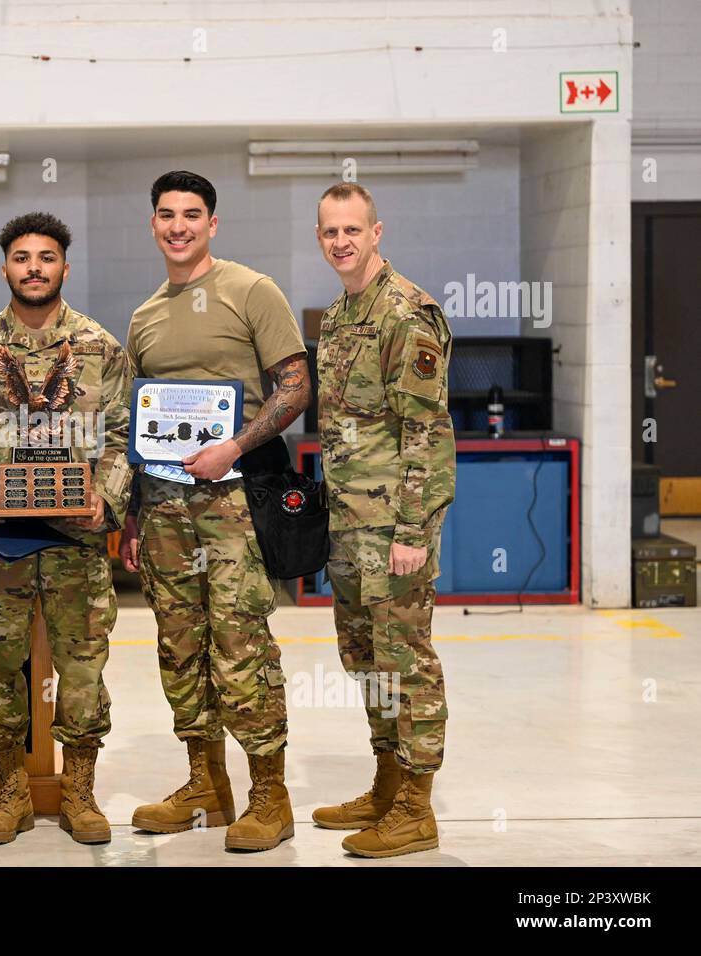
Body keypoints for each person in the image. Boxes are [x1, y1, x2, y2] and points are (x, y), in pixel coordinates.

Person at [120, 171, 310, 852]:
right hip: (167, 507)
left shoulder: (250, 290)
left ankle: (270, 794)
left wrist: (233, 444)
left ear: (212, 224)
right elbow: (142, 426)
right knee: (180, 649)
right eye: (166, 214)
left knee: (241, 646)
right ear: (154, 225)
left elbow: (295, 387)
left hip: (233, 502)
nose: (178, 226)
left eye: (191, 214)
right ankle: (206, 785)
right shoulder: (144, 317)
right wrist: (136, 514)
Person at [0, 212, 132, 845]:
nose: (33, 268)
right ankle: (10, 791)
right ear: (5, 268)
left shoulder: (102, 349)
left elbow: (123, 438)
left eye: (46, 257)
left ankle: (79, 792)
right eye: (22, 257)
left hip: (77, 542)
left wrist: (104, 501)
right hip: (0, 546)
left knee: (83, 671)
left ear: (64, 268)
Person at [312, 182, 455, 858]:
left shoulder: (405, 311)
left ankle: (417, 810)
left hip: (393, 524)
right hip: (349, 521)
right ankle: (388, 785)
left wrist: (411, 532)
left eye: (351, 230)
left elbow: (424, 429)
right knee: (367, 661)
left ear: (377, 232)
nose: (340, 241)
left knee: (406, 662)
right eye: (329, 232)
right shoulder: (341, 316)